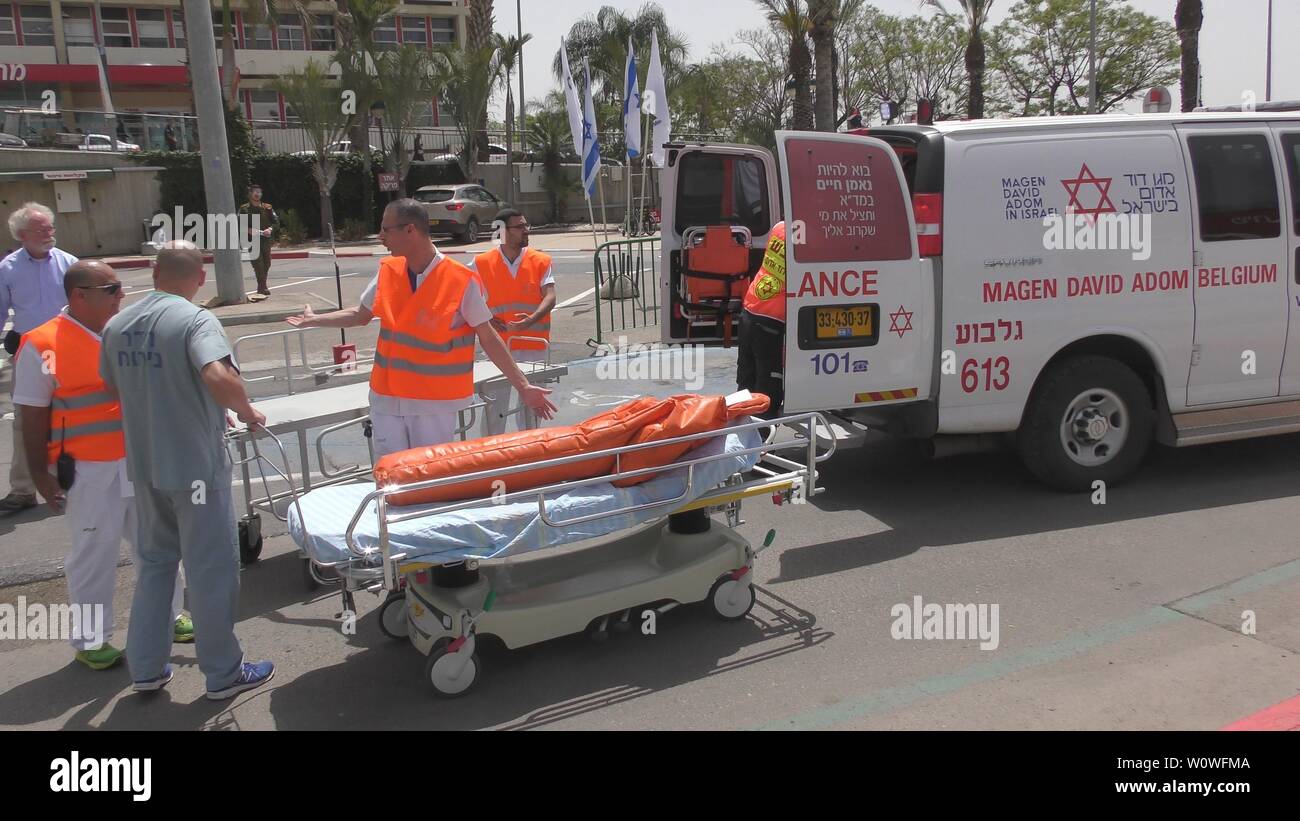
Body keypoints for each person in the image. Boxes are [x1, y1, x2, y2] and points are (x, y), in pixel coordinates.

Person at [101, 241, 273, 698]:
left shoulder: (117, 324)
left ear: (155, 273)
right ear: (200, 279)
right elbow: (217, 375)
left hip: (146, 466)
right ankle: (223, 672)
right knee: (211, 569)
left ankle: (146, 667)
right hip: (196, 468)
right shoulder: (195, 319)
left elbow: (117, 385)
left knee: (156, 565)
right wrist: (247, 409)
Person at [16, 261, 192, 671]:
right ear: (80, 296)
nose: (121, 295)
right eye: (111, 289)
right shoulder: (42, 344)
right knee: (94, 554)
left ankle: (171, 615)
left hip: (139, 461)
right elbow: (31, 416)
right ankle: (92, 639)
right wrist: (41, 476)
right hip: (86, 471)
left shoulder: (126, 332)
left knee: (159, 543)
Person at [286, 199, 558, 458]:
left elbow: (488, 337)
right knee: (389, 476)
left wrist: (523, 387)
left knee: (428, 479)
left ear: (410, 230)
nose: (380, 236)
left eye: (385, 229)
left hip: (432, 404)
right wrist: (314, 320)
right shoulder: (388, 270)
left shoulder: (460, 280)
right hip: (386, 398)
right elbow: (360, 315)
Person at [1, 203, 78, 515]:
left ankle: (72, 481)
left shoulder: (69, 263)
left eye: (51, 227)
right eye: (42, 229)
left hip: (67, 351)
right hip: (29, 353)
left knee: (73, 417)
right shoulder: (8, 269)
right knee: (25, 422)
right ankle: (23, 489)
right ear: (22, 235)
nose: (50, 233)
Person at [471, 209, 557, 435]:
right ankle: (489, 455)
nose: (526, 230)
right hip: (498, 348)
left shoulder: (540, 260)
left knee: (531, 409)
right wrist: (487, 317)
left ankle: (527, 452)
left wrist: (530, 320)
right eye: (520, 227)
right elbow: (467, 299)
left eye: (526, 225)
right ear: (502, 231)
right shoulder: (481, 263)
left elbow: (550, 296)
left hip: (534, 347)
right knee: (494, 407)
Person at [737, 221, 787, 418]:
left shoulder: (779, 227)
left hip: (751, 307)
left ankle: (741, 438)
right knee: (768, 386)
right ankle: (763, 442)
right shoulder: (807, 238)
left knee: (746, 379)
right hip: (771, 318)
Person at [239, 184, 278, 299]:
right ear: (250, 194)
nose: (258, 194)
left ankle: (261, 286)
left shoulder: (267, 207)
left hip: (265, 240)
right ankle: (262, 287)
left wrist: (270, 229)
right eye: (255, 192)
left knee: (267, 263)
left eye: (259, 192)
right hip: (251, 240)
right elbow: (239, 224)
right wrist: (248, 230)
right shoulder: (244, 209)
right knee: (258, 264)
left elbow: (276, 222)